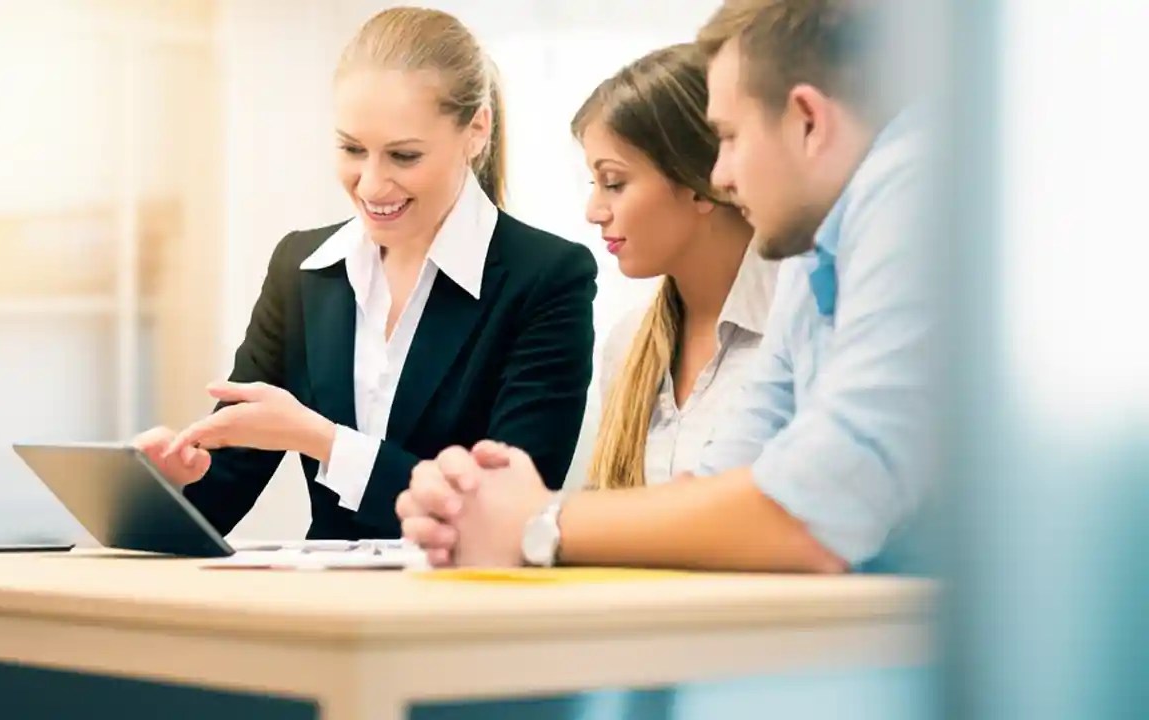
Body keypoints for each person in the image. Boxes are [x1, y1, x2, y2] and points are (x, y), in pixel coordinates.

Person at [396, 0, 934, 573]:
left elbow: (817, 509)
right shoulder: (812, 253)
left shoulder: (916, 195)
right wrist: (490, 507)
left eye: (727, 137)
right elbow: (718, 480)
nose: (721, 175)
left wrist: (540, 522)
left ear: (807, 120)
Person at [134, 7, 597, 541]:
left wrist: (326, 442)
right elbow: (215, 502)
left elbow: (508, 514)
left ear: (476, 129)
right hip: (325, 615)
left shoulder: (547, 278)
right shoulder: (302, 270)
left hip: (460, 613)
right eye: (352, 149)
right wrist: (163, 485)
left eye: (403, 156)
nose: (372, 185)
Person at [575, 44, 778, 490]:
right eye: (596, 184)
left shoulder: (801, 332)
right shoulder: (628, 347)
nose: (594, 211)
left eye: (614, 183)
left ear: (703, 182)